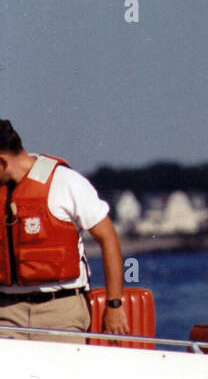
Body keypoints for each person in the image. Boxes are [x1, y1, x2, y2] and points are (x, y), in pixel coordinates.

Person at [0, 120, 129, 339]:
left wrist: (114, 305)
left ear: (2, 162)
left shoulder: (66, 183)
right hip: (6, 312)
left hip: (61, 311)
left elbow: (108, 239)